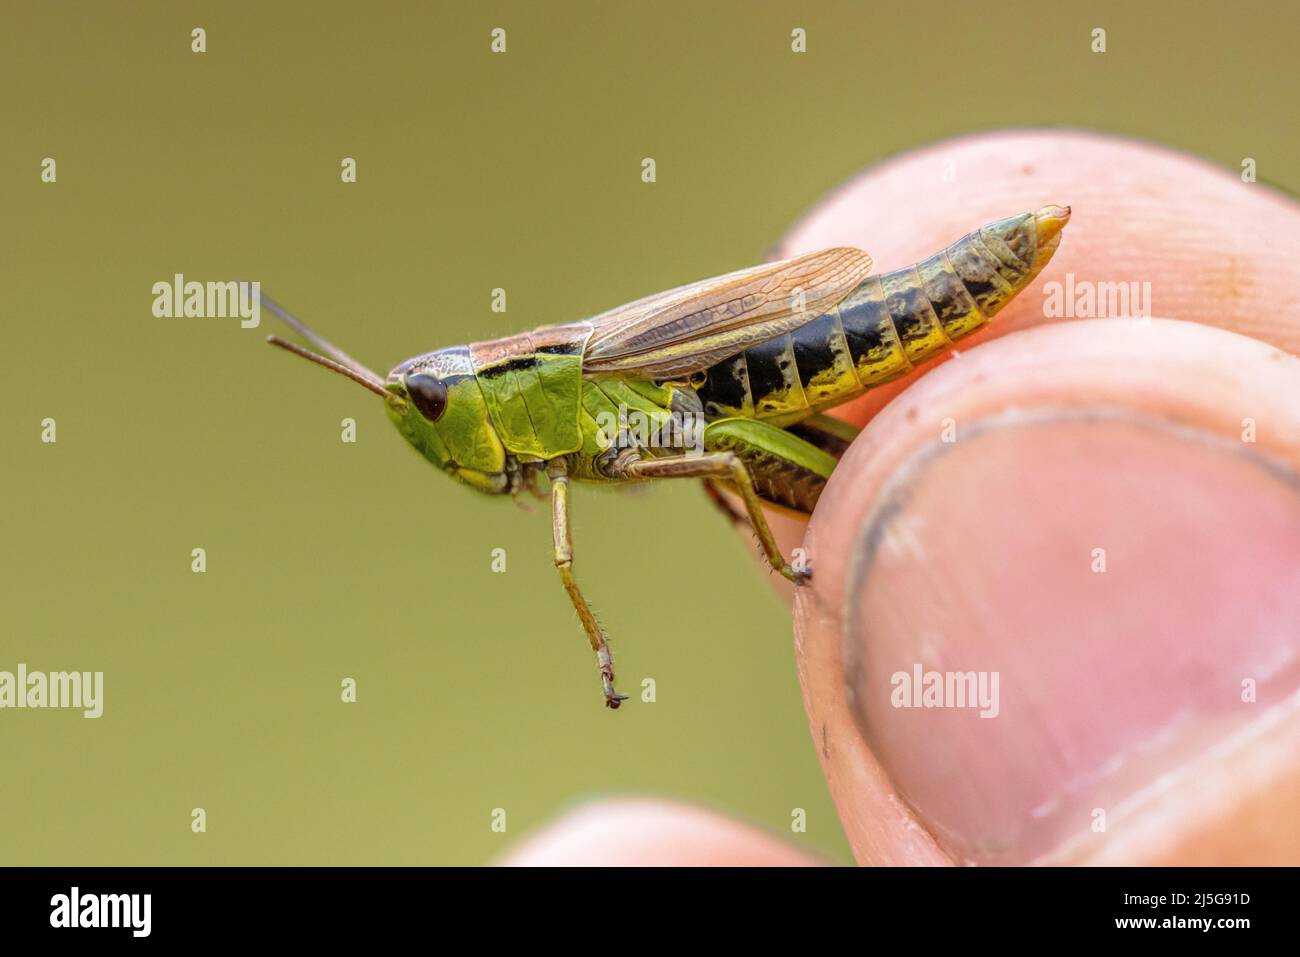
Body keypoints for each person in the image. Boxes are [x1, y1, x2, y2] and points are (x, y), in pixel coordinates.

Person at [504, 130, 1300, 866]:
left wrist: (763, 563)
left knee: (736, 459)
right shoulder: (595, 430)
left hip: (809, 345)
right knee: (741, 458)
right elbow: (712, 454)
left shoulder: (581, 394)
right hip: (725, 402)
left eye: (440, 402)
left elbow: (709, 467)